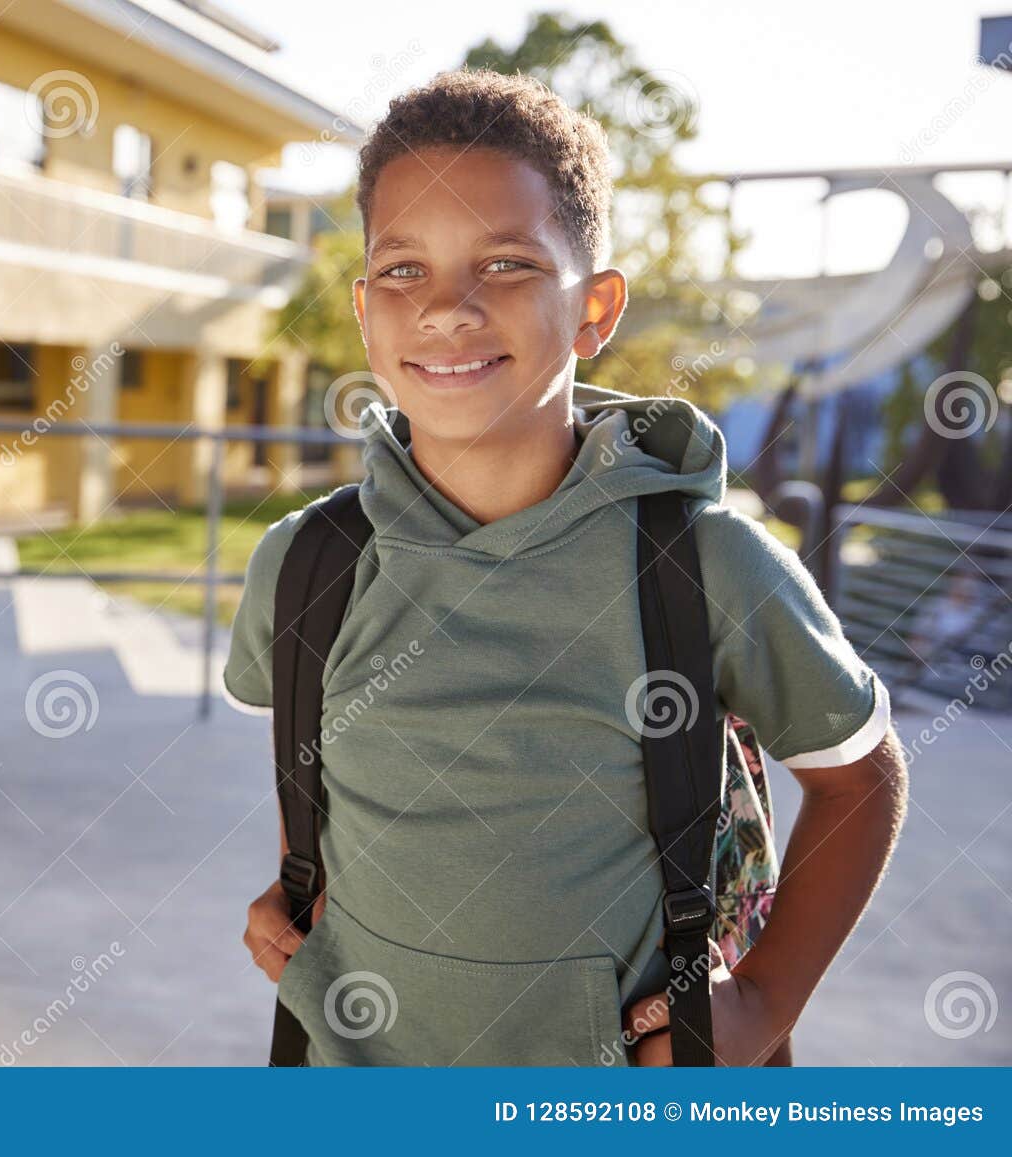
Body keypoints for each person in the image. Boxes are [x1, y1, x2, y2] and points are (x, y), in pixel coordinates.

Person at [223, 68, 908, 1067]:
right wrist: (301, 888)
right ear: (366, 309)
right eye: (404, 269)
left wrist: (760, 1004)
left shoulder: (703, 564)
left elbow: (862, 781)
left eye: (503, 263)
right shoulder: (306, 564)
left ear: (593, 309)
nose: (447, 308)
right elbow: (317, 769)